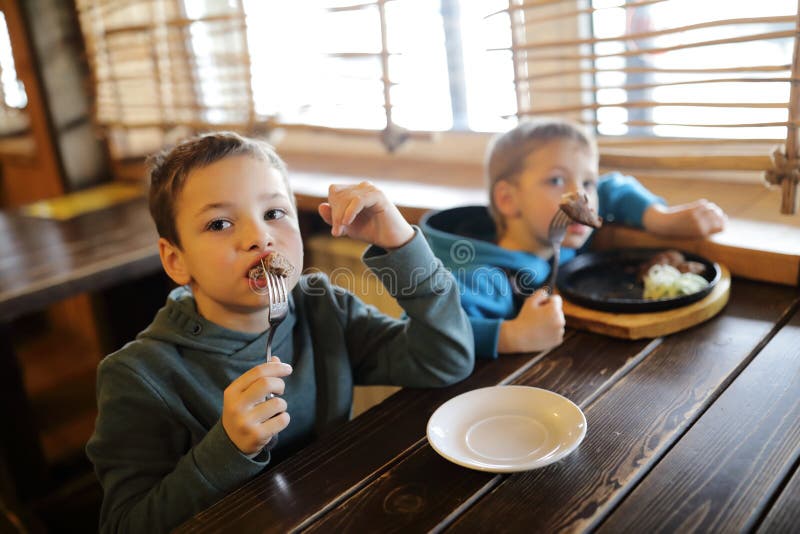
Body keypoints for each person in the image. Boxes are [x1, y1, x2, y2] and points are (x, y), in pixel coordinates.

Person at [86, 132, 474, 533]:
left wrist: (401, 244)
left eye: (273, 213)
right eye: (219, 223)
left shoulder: (323, 308)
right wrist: (226, 450)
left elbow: (445, 359)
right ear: (175, 259)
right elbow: (124, 524)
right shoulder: (138, 376)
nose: (259, 237)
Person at [421, 118, 726, 360]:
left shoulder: (562, 237)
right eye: (556, 180)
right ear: (508, 199)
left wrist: (660, 218)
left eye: (586, 181)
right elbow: (433, 337)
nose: (581, 197)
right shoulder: (484, 279)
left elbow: (612, 188)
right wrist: (509, 336)